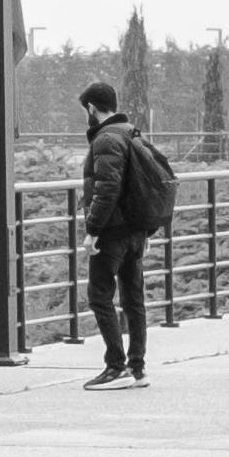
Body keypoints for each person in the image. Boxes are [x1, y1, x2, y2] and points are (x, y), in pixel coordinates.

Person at [73, 78, 165, 387]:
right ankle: (137, 369)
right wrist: (147, 230)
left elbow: (107, 189)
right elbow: (144, 185)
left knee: (99, 295)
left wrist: (92, 231)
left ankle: (116, 366)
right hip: (136, 230)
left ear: (90, 107)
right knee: (133, 298)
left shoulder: (105, 139)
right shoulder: (132, 134)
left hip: (113, 231)